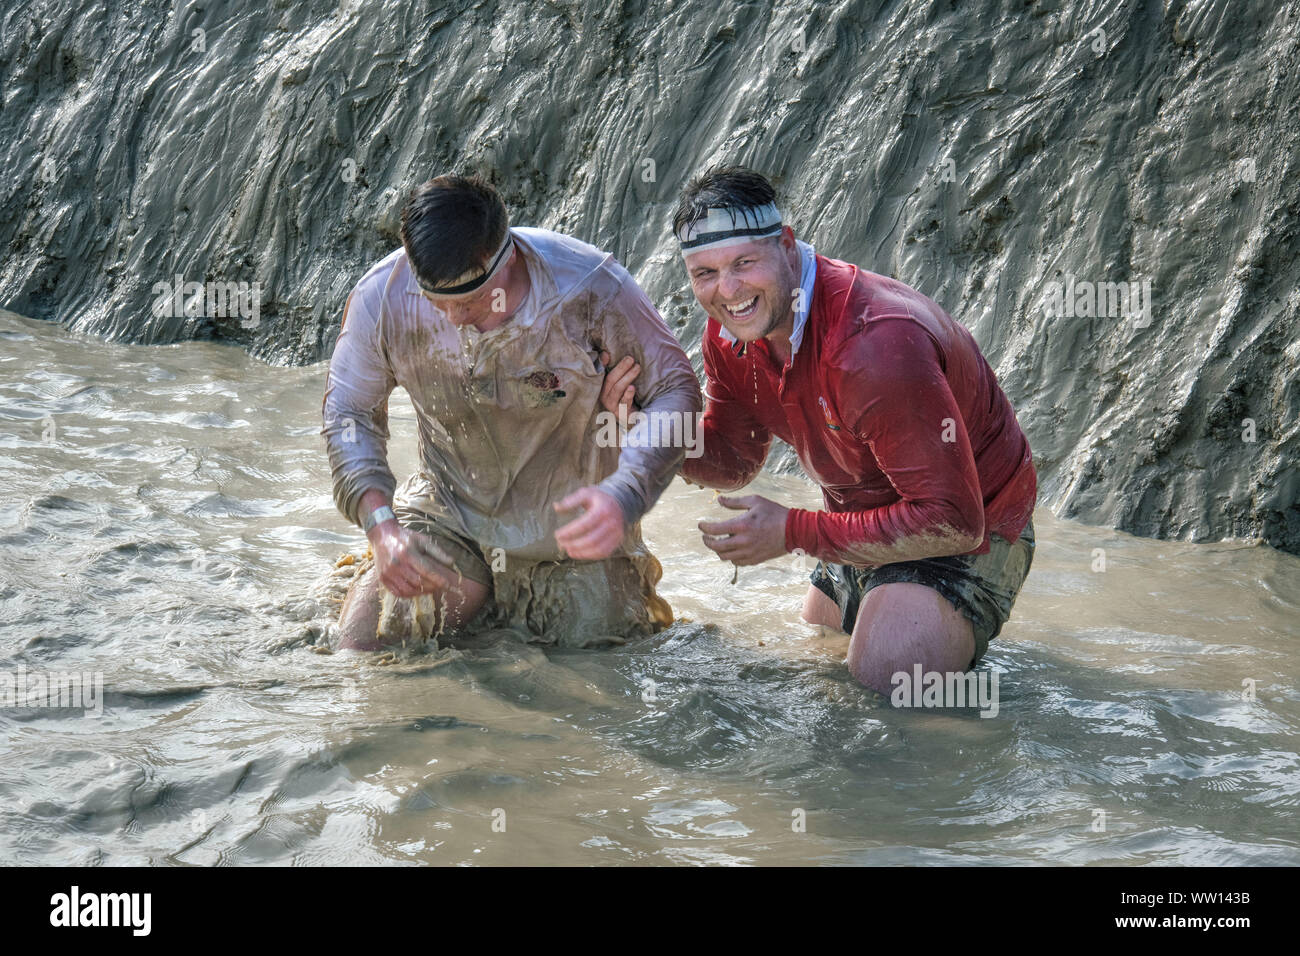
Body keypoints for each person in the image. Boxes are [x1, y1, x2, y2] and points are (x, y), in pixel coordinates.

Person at [601, 166, 1037, 693]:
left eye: (743, 263)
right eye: (705, 274)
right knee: (819, 667)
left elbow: (952, 521)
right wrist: (641, 423)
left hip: (972, 534)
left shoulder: (875, 345)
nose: (728, 290)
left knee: (890, 680)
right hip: (864, 518)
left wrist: (792, 532)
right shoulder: (729, 330)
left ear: (786, 246)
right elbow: (733, 461)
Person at [322, 174, 701, 651]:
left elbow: (676, 393)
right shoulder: (383, 296)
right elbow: (349, 414)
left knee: (596, 686)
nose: (457, 320)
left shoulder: (588, 287)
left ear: (509, 256)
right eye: (439, 304)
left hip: (572, 534)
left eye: (473, 302)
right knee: (358, 651)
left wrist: (626, 493)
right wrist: (381, 528)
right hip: (447, 513)